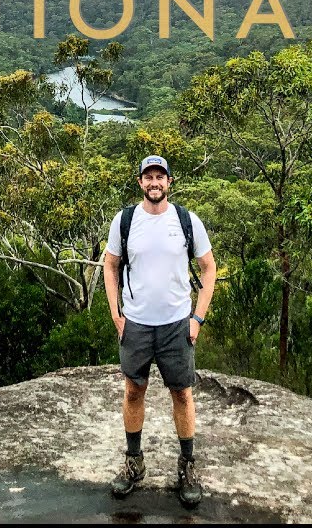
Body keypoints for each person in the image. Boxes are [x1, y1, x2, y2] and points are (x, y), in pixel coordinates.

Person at [103, 155, 216, 507]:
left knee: (182, 394)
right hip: (136, 324)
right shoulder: (125, 220)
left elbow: (209, 269)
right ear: (140, 182)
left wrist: (196, 319)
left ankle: (187, 466)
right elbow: (110, 265)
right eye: (148, 177)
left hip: (175, 325)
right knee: (134, 390)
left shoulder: (186, 221)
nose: (155, 182)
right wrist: (116, 315)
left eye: (160, 177)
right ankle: (134, 462)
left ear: (169, 182)